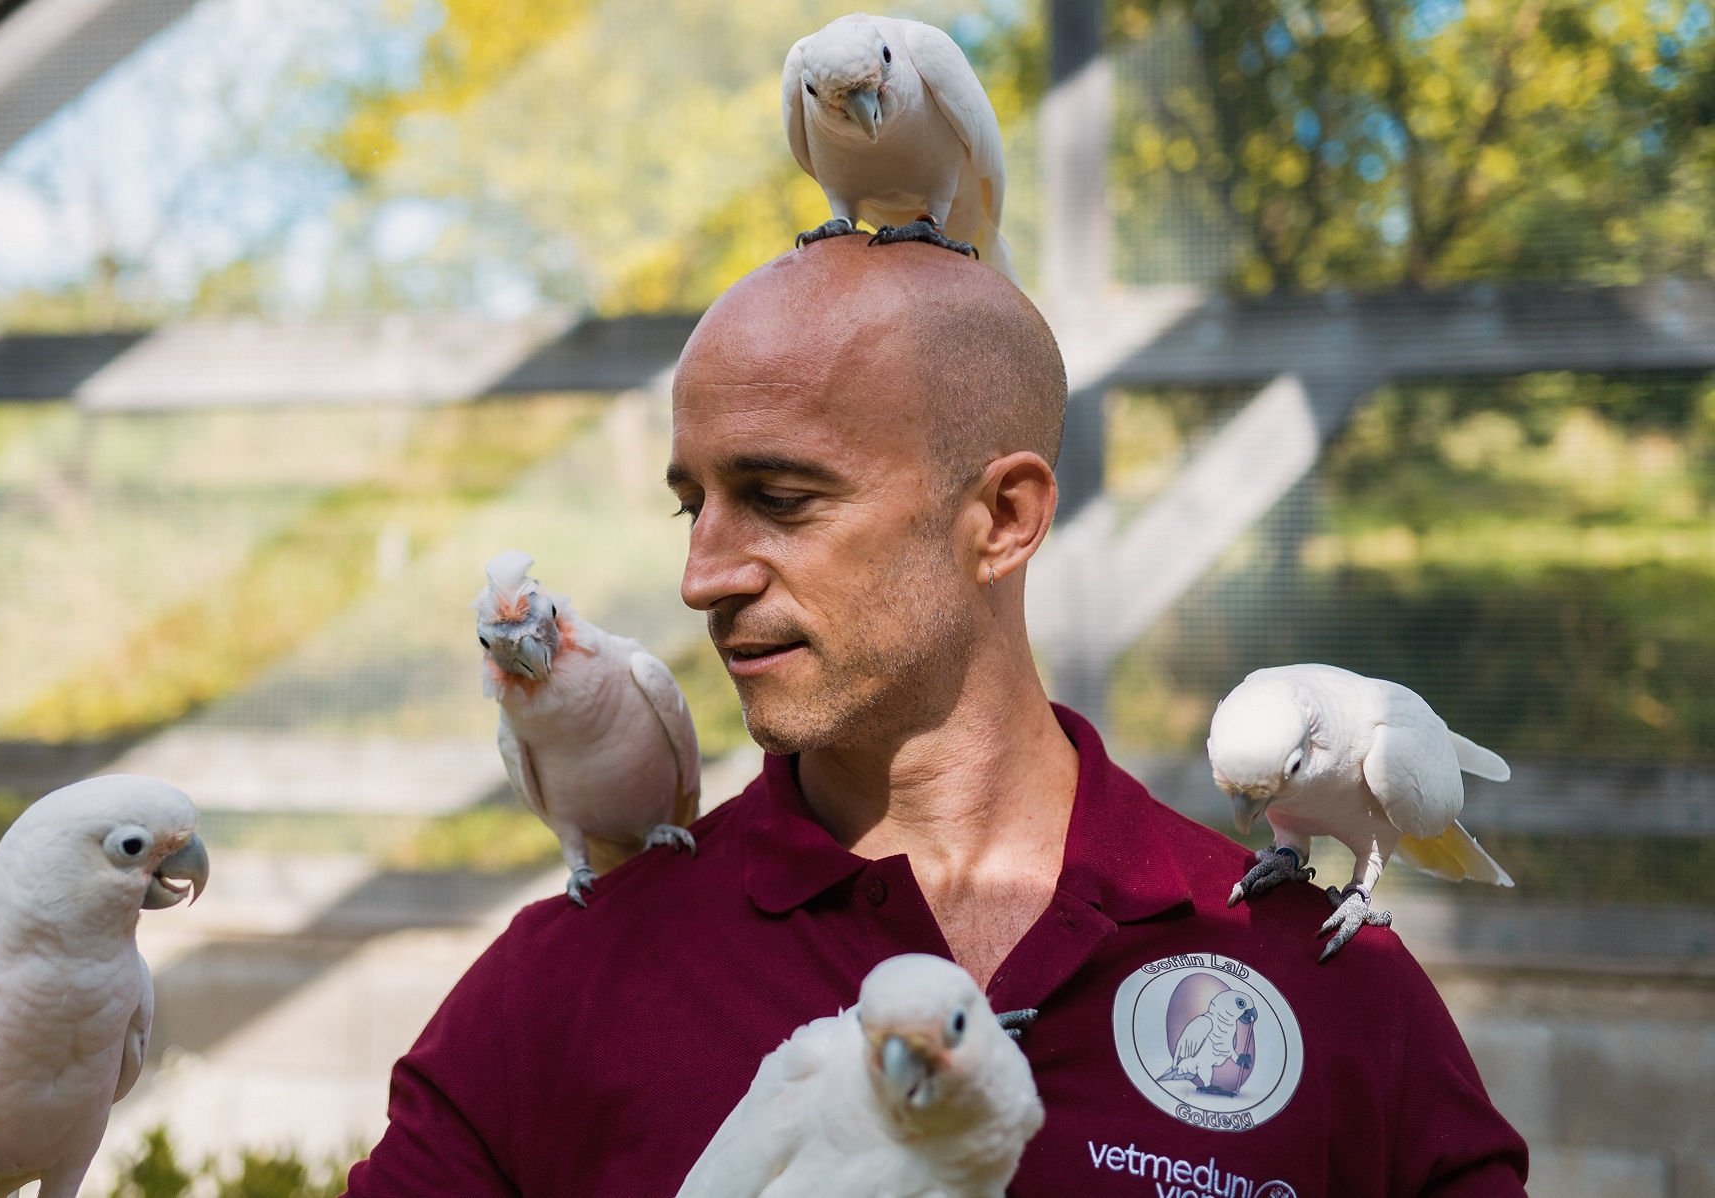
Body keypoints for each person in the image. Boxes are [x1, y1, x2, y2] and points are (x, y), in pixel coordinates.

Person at [346, 237, 1528, 1196]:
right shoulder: (570, 982)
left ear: (1004, 517)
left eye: (777, 496)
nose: (702, 574)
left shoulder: (1318, 980)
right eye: (689, 506)